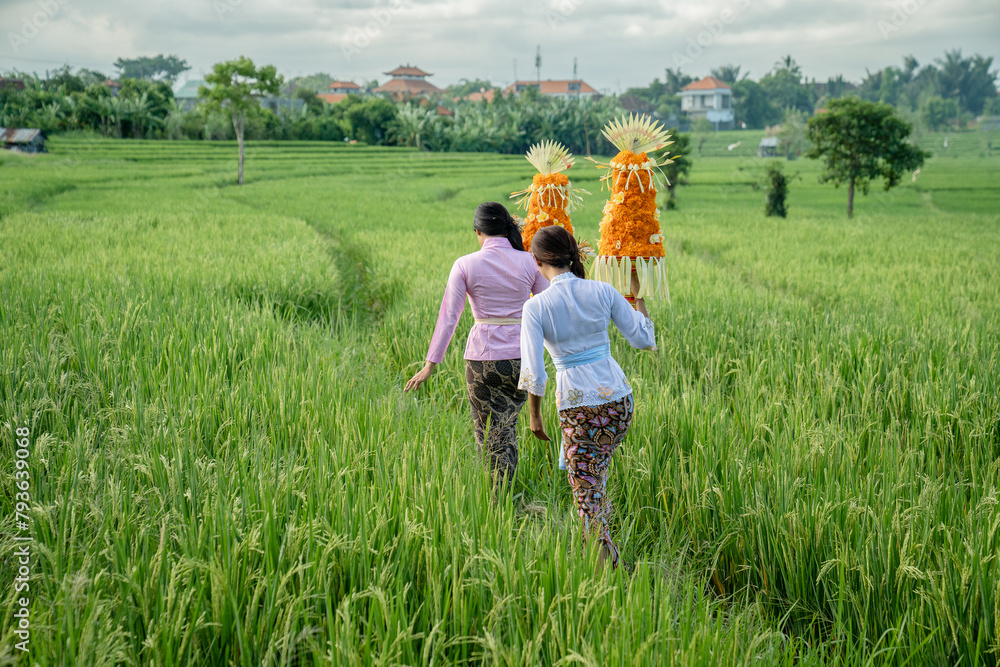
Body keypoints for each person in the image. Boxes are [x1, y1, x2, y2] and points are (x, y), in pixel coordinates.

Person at [518, 226, 656, 570]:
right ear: (572, 254)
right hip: (618, 402)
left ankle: (608, 570)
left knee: (586, 492)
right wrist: (638, 296)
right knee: (597, 476)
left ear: (537, 263)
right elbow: (642, 339)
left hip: (580, 408)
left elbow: (534, 372)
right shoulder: (603, 291)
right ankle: (600, 554)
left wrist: (534, 416)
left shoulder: (536, 307)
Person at [405, 201, 548, 492]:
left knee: (489, 433)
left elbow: (449, 317)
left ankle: (498, 501)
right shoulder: (529, 261)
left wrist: (430, 365)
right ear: (507, 228)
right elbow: (549, 304)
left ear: (478, 231)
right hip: (523, 358)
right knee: (507, 427)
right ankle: (507, 496)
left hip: (483, 361)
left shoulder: (465, 264)